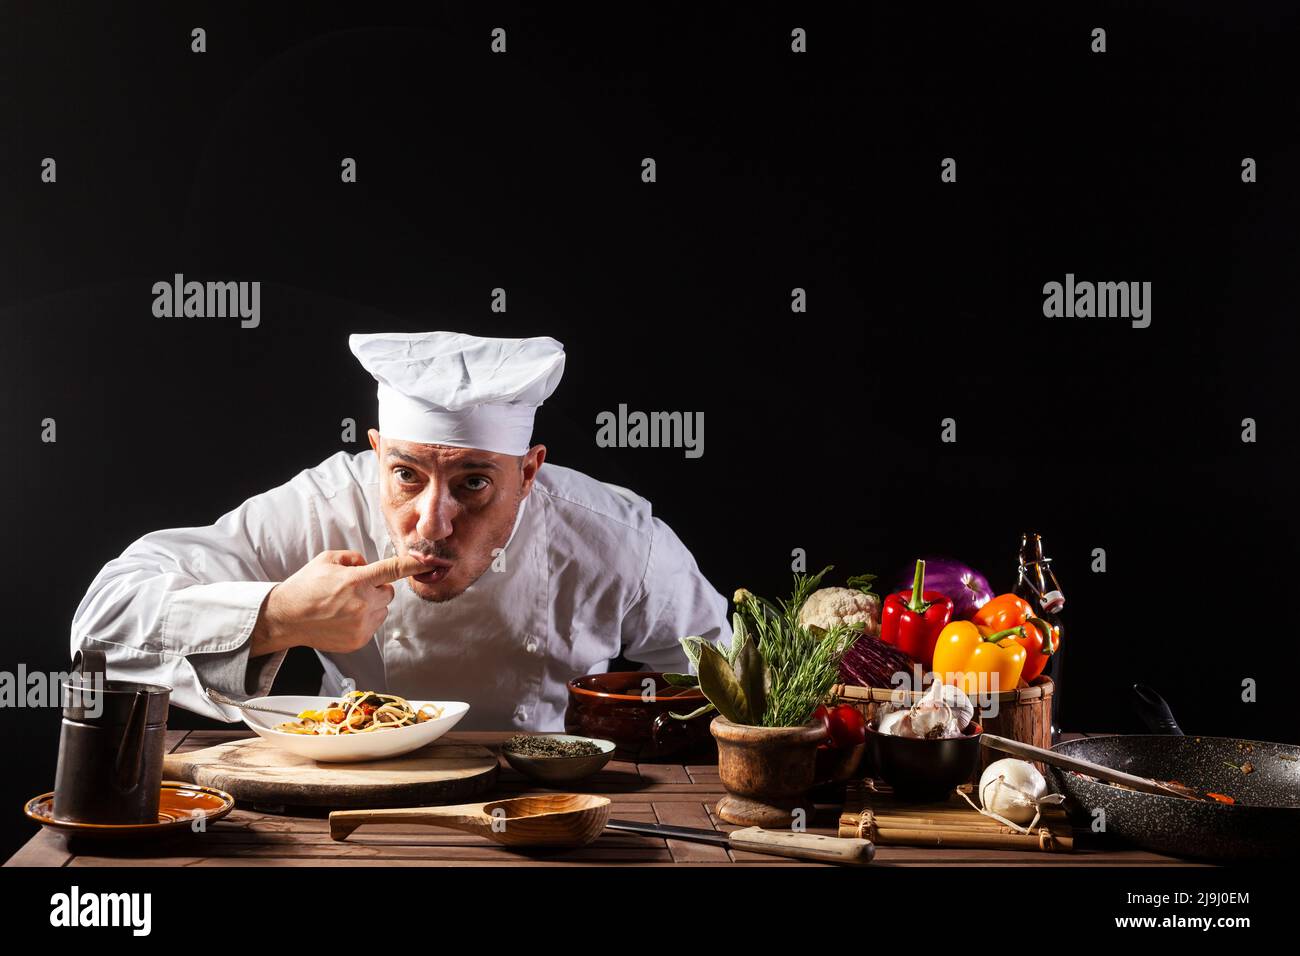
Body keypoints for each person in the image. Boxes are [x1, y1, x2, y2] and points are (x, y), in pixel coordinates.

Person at [70, 331, 730, 730]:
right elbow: (102, 625)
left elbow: (735, 689)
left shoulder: (614, 538)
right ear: (377, 452)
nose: (432, 522)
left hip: (544, 807)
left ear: (528, 474)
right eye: (407, 476)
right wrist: (276, 616)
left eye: (475, 483)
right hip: (348, 794)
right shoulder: (323, 505)